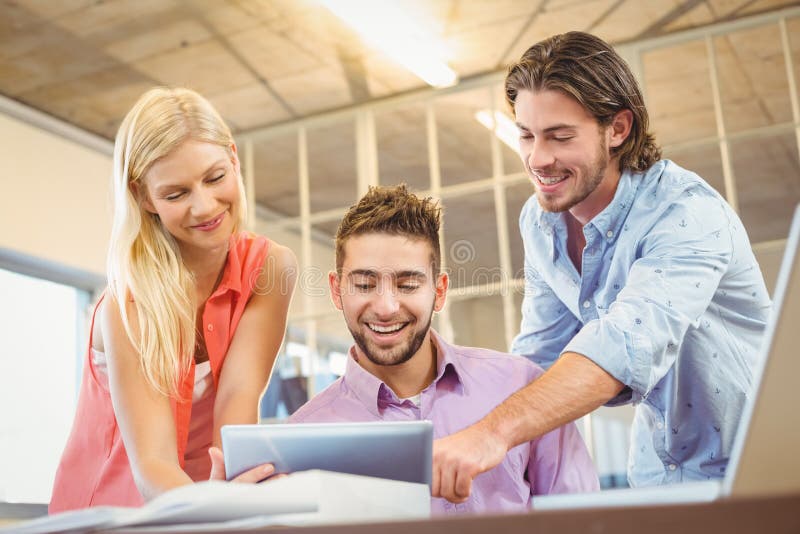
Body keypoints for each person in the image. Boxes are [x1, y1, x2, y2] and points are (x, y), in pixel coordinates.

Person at [432, 31, 771, 502]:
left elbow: (623, 346)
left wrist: (493, 432)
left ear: (618, 129)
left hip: (759, 470)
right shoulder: (541, 222)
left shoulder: (685, 212)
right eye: (526, 135)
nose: (537, 159)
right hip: (658, 475)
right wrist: (451, 429)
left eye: (560, 136)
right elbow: (538, 357)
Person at [50, 87, 297, 512]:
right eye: (176, 194)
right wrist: (217, 509)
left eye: (215, 177)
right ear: (143, 197)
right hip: (110, 513)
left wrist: (237, 492)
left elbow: (237, 404)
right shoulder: (129, 301)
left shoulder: (270, 268)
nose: (205, 206)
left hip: (199, 502)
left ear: (234, 159)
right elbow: (154, 464)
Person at [289, 184, 599, 515]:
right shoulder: (301, 442)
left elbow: (586, 522)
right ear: (337, 290)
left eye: (408, 285)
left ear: (439, 291)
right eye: (364, 285)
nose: (386, 307)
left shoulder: (525, 390)